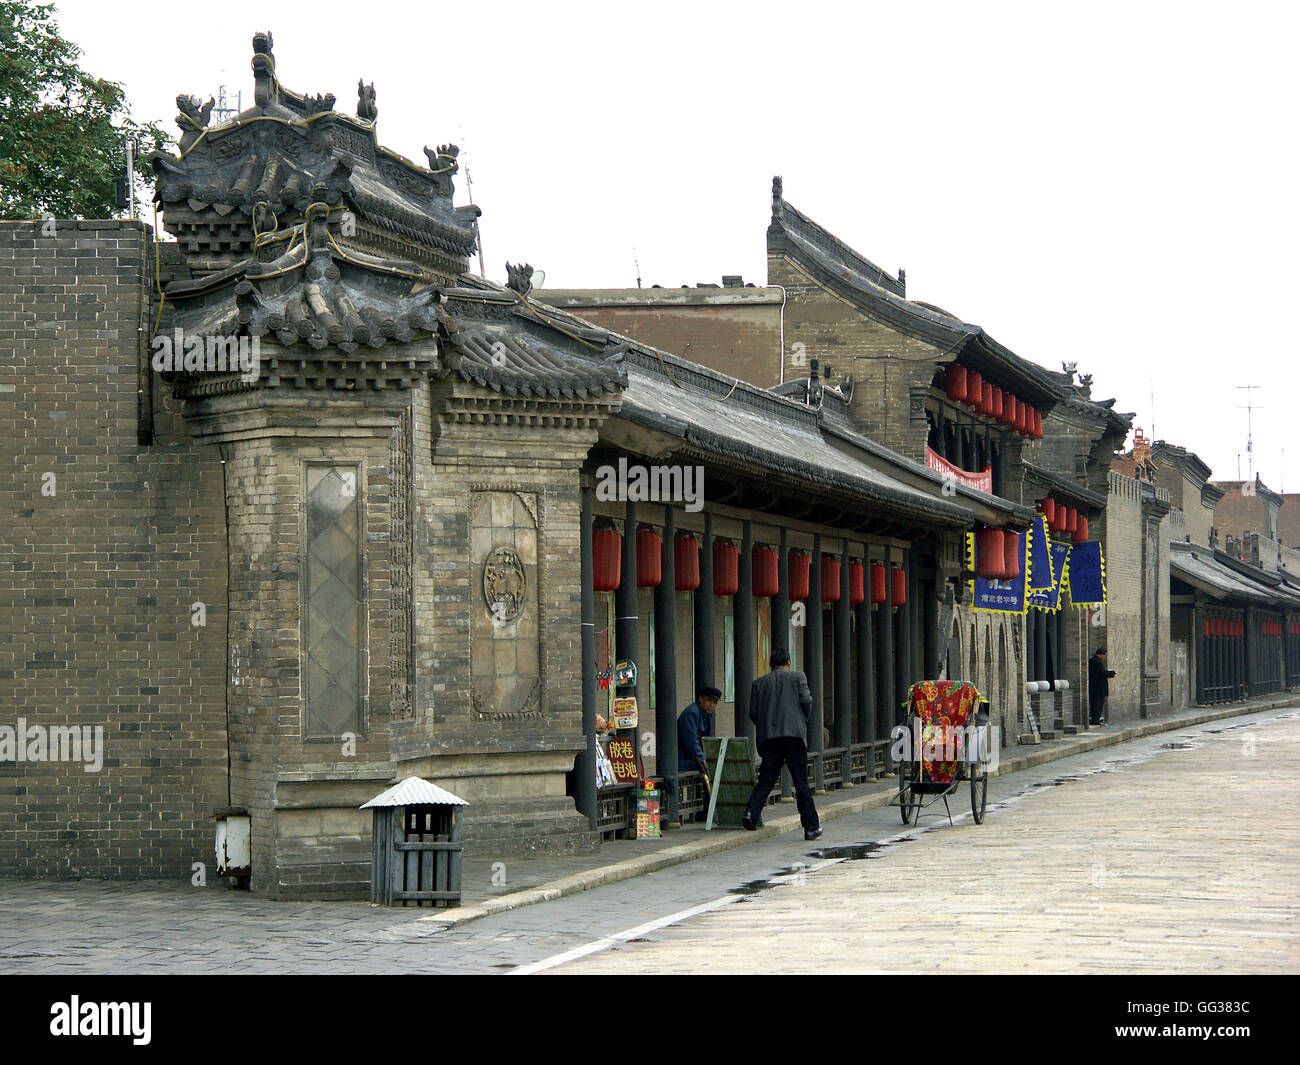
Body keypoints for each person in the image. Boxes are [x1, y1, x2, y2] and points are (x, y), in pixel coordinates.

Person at [743, 649, 822, 840]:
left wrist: (767, 725)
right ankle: (811, 827)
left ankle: (750, 814)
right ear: (789, 661)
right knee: (801, 782)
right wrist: (801, 719)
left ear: (771, 665)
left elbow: (753, 713)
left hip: (770, 739)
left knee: (766, 779)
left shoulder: (758, 683)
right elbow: (806, 701)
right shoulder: (798, 677)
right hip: (793, 737)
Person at [678, 686, 720, 774]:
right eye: (709, 700)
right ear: (701, 699)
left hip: (692, 762)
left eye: (715, 702)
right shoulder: (692, 713)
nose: (712, 705)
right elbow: (691, 742)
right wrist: (703, 759)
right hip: (684, 763)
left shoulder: (706, 715)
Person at [1088, 648, 1116, 725]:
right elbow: (1102, 673)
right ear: (1101, 654)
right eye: (1104, 655)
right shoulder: (1097, 662)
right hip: (1098, 687)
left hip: (1094, 686)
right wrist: (1112, 673)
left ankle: (1095, 719)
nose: (1105, 657)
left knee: (1095, 704)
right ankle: (1095, 720)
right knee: (1098, 704)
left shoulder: (1093, 660)